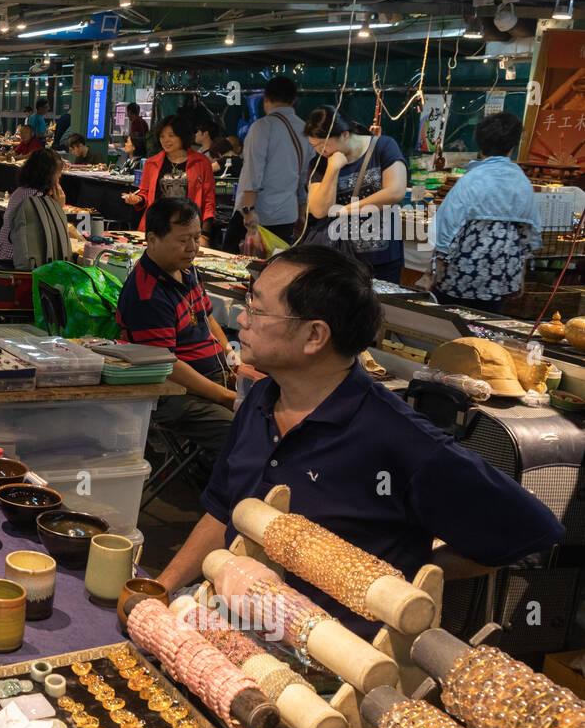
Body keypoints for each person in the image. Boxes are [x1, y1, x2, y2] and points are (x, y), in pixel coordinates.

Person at [151, 245, 564, 636]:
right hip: (230, 625)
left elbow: (527, 530)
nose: (242, 320)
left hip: (333, 661)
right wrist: (161, 589)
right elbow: (224, 508)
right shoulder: (263, 396)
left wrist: (397, 579)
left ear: (314, 336)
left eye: (258, 309)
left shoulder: (400, 438)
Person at [116, 197, 235, 462]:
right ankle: (226, 499)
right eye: (183, 240)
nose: (192, 248)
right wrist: (225, 396)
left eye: (196, 238)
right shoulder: (147, 295)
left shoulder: (187, 270)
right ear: (152, 239)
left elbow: (208, 320)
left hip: (214, 378)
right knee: (241, 433)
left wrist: (232, 360)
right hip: (173, 394)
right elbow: (167, 365)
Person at [423, 112, 542, 312]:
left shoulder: (472, 179)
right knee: (487, 327)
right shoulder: (522, 181)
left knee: (451, 323)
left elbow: (447, 226)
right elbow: (528, 232)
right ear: (513, 146)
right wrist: (520, 275)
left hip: (462, 272)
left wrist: (434, 268)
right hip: (501, 276)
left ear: (480, 145)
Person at [302, 105, 408, 283]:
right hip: (339, 259)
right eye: (315, 146)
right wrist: (333, 168)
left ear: (344, 134)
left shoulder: (383, 147)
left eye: (324, 144)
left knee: (382, 307)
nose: (320, 151)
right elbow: (319, 210)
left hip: (383, 258)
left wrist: (344, 210)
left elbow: (395, 192)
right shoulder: (320, 163)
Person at [229, 76, 312, 251]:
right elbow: (304, 176)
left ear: (265, 98)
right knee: (276, 267)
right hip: (287, 216)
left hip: (257, 215)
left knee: (234, 267)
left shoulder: (262, 126)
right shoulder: (304, 129)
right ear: (294, 100)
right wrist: (302, 211)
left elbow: (253, 171)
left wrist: (248, 210)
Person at [123, 114, 216, 237]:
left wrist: (205, 234)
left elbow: (209, 201)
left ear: (182, 136)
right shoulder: (152, 163)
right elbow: (145, 193)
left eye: (171, 136)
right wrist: (138, 199)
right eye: (162, 136)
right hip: (156, 227)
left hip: (188, 227)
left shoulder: (202, 162)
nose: (165, 140)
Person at [0, 147, 81, 270]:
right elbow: (52, 231)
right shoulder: (35, 199)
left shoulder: (20, 191)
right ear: (49, 175)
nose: (59, 180)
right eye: (58, 176)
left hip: (3, 256)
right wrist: (58, 208)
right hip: (19, 263)